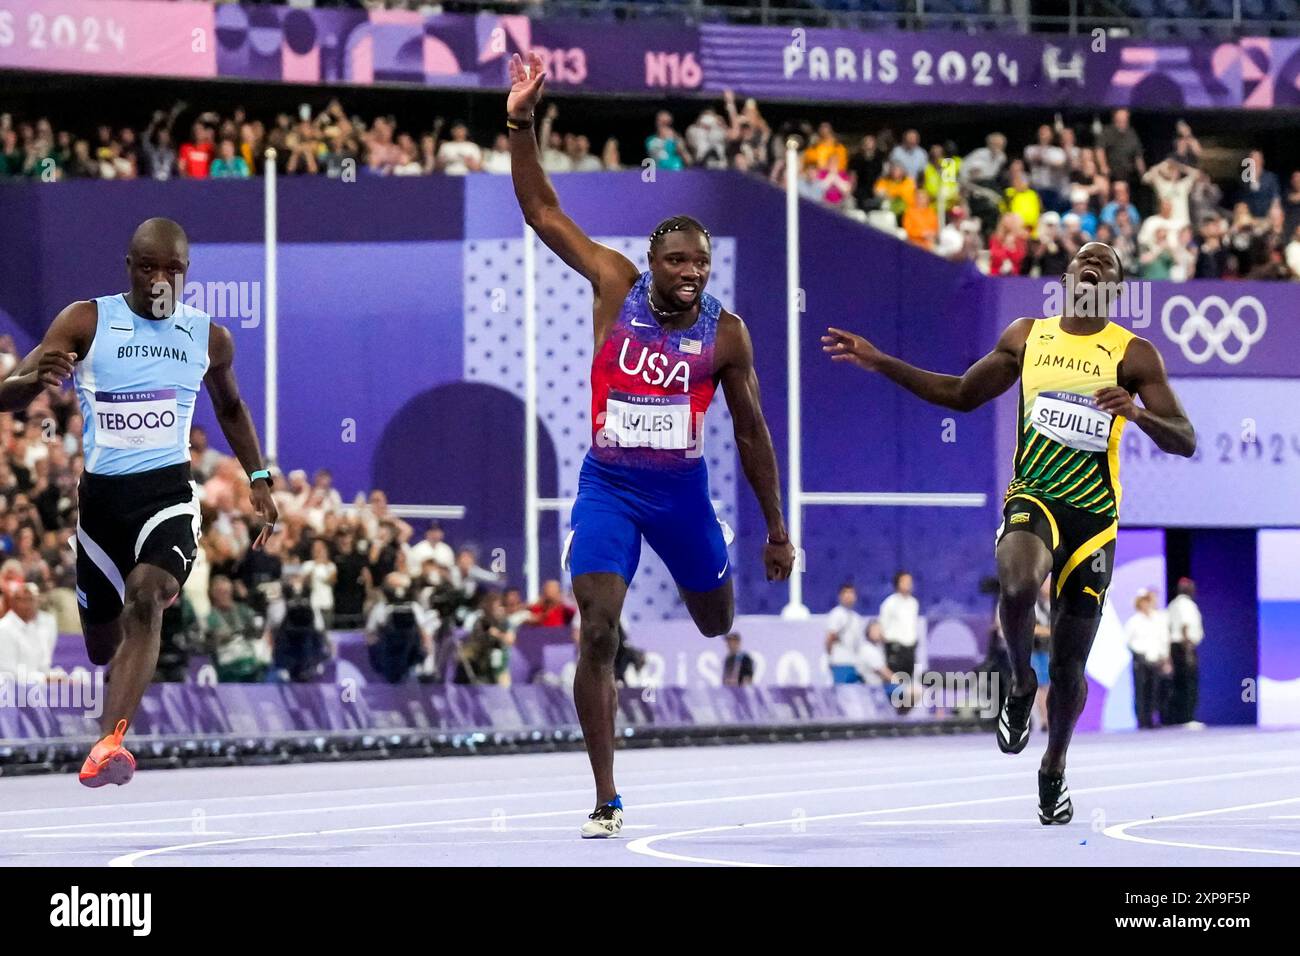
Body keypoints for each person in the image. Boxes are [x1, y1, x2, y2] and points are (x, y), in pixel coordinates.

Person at [507, 50, 794, 838]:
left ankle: (721, 551)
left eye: (701, 261)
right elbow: (542, 213)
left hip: (681, 495)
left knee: (713, 619)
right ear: (655, 263)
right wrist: (519, 121)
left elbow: (751, 430)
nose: (690, 272)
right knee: (596, 628)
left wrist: (775, 528)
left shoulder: (725, 334)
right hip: (609, 486)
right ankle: (606, 793)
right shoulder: (613, 283)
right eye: (677, 261)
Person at [823, 242, 1195, 824]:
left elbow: (1185, 438)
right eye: (1083, 259)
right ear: (1067, 277)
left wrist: (1137, 413)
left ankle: (1054, 769)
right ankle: (1021, 681)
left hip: (1094, 521)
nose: (1092, 265)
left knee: (1071, 669)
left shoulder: (1134, 354)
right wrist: (881, 361)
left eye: (1106, 264)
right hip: (1035, 498)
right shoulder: (1029, 337)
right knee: (1018, 584)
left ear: (1116, 286)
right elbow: (961, 395)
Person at [0, 217, 278, 787]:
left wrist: (258, 475)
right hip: (101, 506)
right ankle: (127, 643)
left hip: (168, 495)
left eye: (172, 270)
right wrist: (33, 382)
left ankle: (109, 743)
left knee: (146, 600)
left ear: (186, 274)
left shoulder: (209, 337)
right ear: (129, 267)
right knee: (102, 646)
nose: (159, 279)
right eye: (148, 267)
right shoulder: (86, 319)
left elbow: (229, 408)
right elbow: (8, 394)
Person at [1126, 589, 1170, 729]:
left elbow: (1164, 639)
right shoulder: (1134, 621)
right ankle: (1142, 720)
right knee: (1141, 690)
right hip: (1141, 660)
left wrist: (1165, 657)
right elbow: (1128, 641)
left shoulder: (1158, 619)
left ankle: (1152, 718)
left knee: (1154, 690)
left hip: (1156, 659)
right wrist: (1139, 654)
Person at [1166, 576, 1203, 727]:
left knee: (1179, 683)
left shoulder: (1173, 604)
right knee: (1189, 683)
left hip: (1176, 647)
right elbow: (1185, 626)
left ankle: (1179, 717)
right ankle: (1187, 718)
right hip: (1184, 646)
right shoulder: (1187, 604)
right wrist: (1188, 650)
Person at [0, 582, 57, 678]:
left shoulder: (37, 626)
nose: (31, 605)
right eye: (26, 600)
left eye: (34, 600)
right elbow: (7, 672)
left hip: (34, 687)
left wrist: (52, 677)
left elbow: (42, 665)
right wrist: (43, 679)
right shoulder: (4, 628)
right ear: (13, 602)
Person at [878, 572, 919, 677]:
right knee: (896, 684)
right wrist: (890, 648)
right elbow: (881, 627)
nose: (908, 584)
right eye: (904, 581)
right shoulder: (889, 603)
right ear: (897, 583)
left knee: (908, 682)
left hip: (910, 649)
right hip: (895, 648)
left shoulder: (913, 603)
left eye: (909, 581)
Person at [825, 583, 864, 684]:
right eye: (846, 593)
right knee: (841, 692)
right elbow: (830, 637)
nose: (849, 596)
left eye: (851, 593)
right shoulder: (836, 614)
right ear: (840, 596)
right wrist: (831, 656)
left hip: (853, 662)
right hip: (840, 662)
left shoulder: (856, 618)